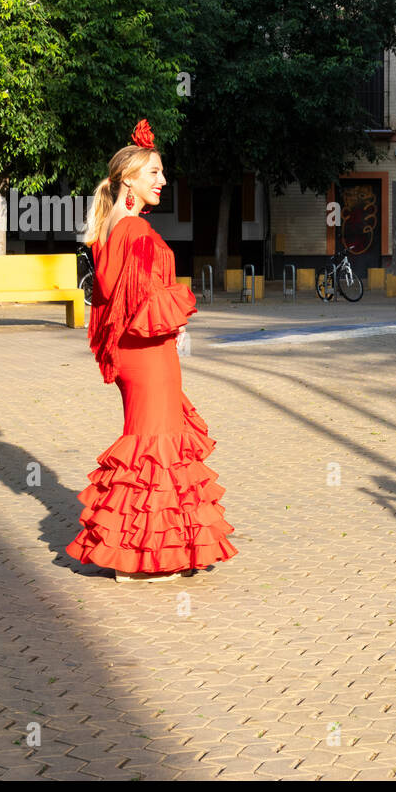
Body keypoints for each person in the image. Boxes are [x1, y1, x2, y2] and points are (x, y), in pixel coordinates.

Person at [66, 120, 238, 581]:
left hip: (134, 353)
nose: (162, 181)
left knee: (152, 440)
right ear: (129, 180)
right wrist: (174, 324)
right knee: (154, 444)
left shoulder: (113, 227)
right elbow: (140, 297)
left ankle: (147, 551)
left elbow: (110, 297)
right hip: (148, 352)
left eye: (161, 173)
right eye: (154, 173)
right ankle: (140, 558)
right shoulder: (135, 232)